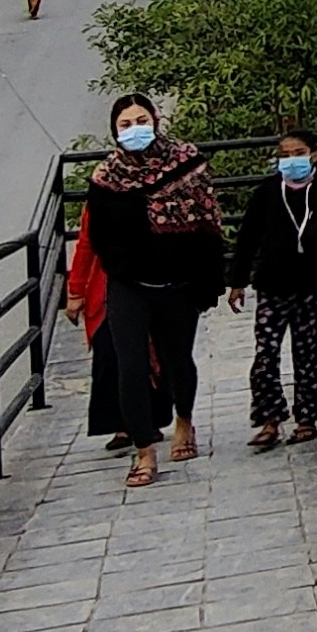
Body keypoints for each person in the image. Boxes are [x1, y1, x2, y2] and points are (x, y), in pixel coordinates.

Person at [68, 94, 222, 487]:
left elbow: (208, 220)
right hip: (129, 285)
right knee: (130, 367)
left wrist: (208, 278)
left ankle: (184, 421)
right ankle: (143, 450)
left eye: (141, 120)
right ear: (115, 130)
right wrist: (113, 271)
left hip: (179, 284)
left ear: (155, 120)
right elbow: (96, 233)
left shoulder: (186, 161)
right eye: (125, 124)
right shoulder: (106, 178)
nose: (135, 129)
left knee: (177, 361)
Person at [229, 127, 317, 449]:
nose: (291, 161)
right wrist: (237, 281)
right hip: (272, 285)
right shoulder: (267, 192)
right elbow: (247, 238)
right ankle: (270, 419)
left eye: (298, 154)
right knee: (266, 353)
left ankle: (306, 419)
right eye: (284, 156)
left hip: (307, 285)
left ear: (313, 155)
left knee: (308, 353)